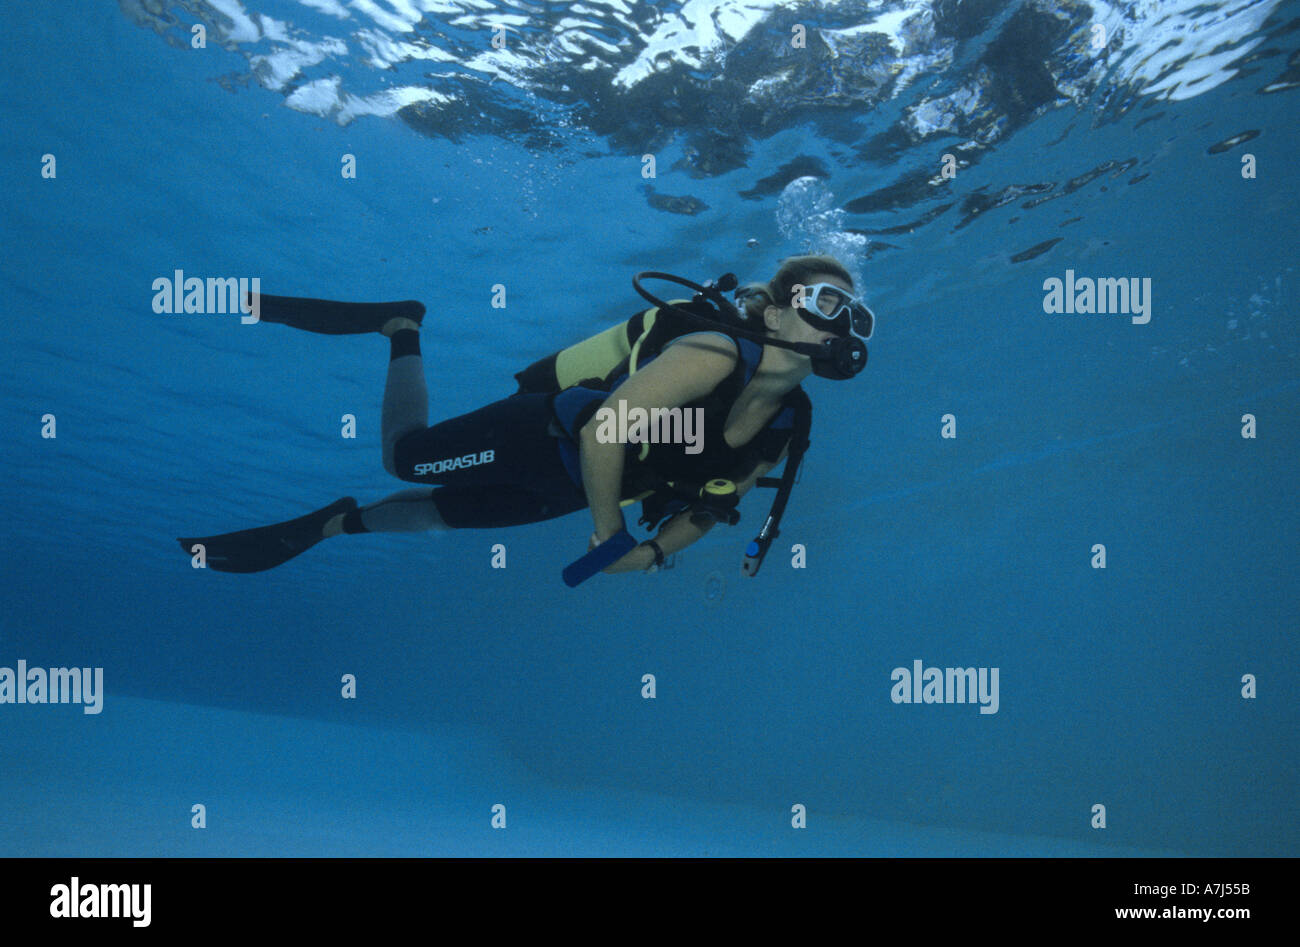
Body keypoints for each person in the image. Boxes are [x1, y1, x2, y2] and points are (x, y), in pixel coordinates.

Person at [178, 255, 874, 578]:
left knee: (439, 516)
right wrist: (609, 534)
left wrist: (652, 553)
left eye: (856, 318)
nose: (844, 326)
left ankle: (334, 522)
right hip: (542, 436)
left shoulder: (790, 421)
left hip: (569, 488)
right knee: (403, 458)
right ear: (779, 306)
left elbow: (718, 503)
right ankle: (400, 327)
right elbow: (608, 429)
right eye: (829, 303)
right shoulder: (717, 352)